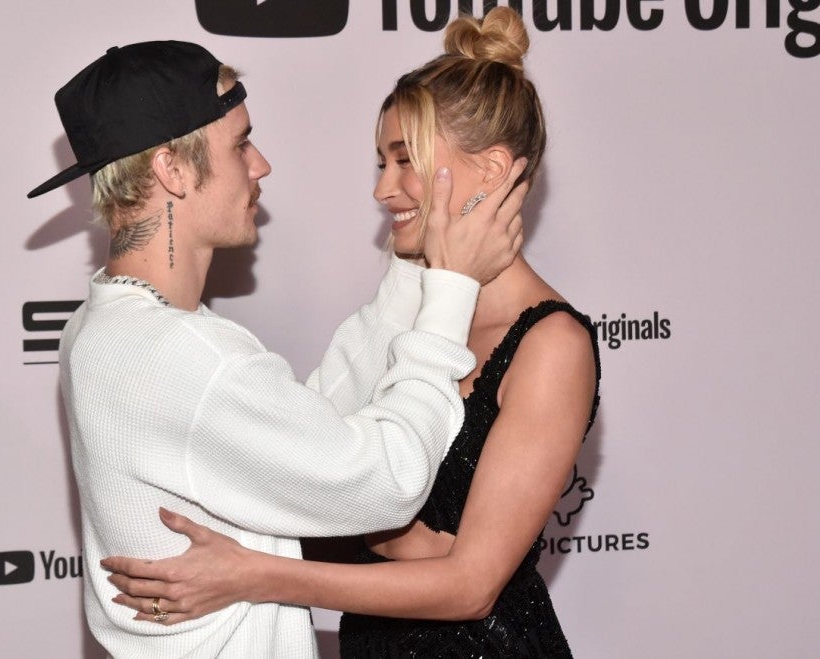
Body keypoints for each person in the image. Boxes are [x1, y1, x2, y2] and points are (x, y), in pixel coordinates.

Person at [101, 8, 601, 658]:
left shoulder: (552, 345)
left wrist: (253, 574)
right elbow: (341, 490)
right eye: (380, 162)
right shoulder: (416, 320)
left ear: (493, 171)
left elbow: (471, 586)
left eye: (405, 161)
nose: (383, 189)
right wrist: (389, 533)